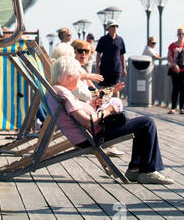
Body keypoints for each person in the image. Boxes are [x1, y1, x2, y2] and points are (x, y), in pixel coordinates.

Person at [51, 56, 171, 184]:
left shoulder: (58, 90)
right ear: (68, 76)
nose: (79, 79)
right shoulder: (64, 94)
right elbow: (86, 122)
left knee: (138, 124)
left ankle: (135, 169)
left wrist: (92, 105)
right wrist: (107, 111)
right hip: (93, 135)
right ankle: (148, 171)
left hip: (91, 132)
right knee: (147, 123)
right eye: (78, 75)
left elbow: (78, 115)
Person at [166, 29, 184, 114]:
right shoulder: (172, 45)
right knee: (175, 88)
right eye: (179, 34)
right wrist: (174, 64)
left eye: (182, 34)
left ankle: (181, 108)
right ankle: (173, 108)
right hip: (175, 70)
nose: (181, 35)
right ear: (177, 34)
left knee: (183, 89)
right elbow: (169, 57)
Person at [95, 22, 126, 88]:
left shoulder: (120, 40)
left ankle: (116, 99)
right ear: (108, 28)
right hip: (105, 68)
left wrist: (124, 68)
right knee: (104, 87)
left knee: (116, 87)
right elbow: (98, 54)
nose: (114, 28)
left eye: (116, 26)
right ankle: (102, 98)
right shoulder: (103, 39)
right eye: (112, 26)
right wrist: (97, 67)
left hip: (117, 68)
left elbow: (122, 55)